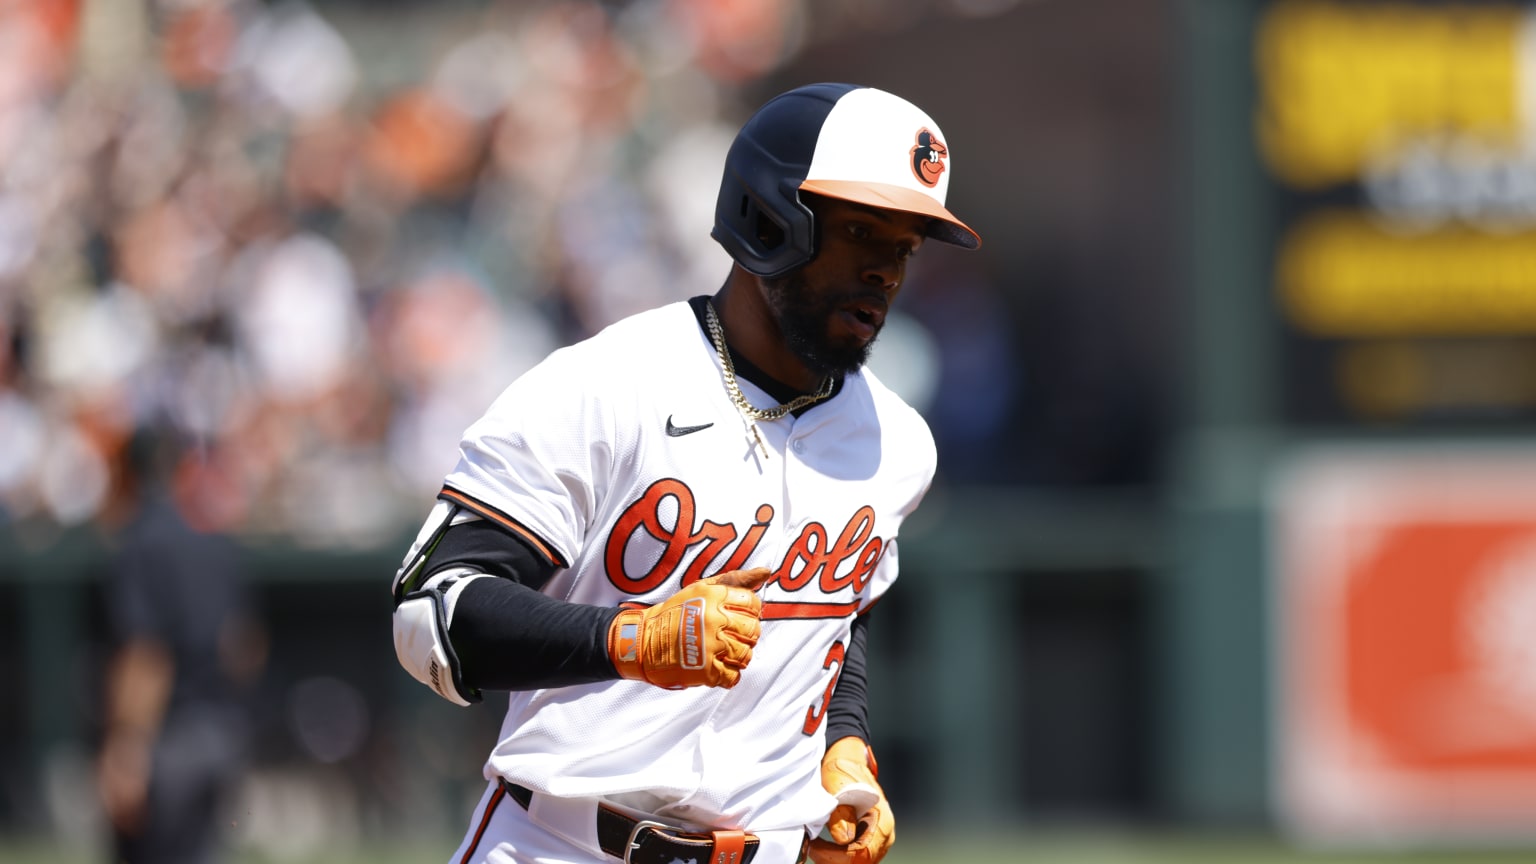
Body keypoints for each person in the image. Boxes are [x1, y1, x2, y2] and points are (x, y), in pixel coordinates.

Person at [390, 82, 980, 864]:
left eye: (903, 247)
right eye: (862, 232)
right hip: (560, 843)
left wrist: (845, 753)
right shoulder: (608, 384)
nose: (884, 272)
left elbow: (839, 625)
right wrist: (631, 638)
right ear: (773, 218)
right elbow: (430, 615)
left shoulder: (897, 442)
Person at [96, 430, 267, 864]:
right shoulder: (216, 542)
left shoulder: (142, 541)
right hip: (221, 733)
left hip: (167, 742)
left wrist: (127, 749)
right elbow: (244, 648)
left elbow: (145, 654)